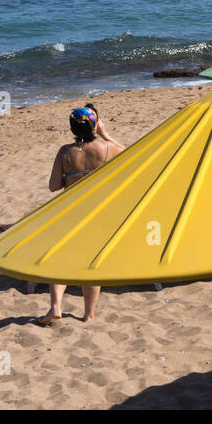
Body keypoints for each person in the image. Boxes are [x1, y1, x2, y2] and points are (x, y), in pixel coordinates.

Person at [34, 106, 123, 325]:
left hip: (71, 213)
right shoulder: (107, 149)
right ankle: (89, 315)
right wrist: (104, 134)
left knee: (58, 258)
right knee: (90, 265)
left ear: (72, 127)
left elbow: (54, 186)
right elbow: (131, 153)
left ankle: (55, 307)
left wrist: (72, 176)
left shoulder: (65, 151)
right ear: (94, 124)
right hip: (99, 214)